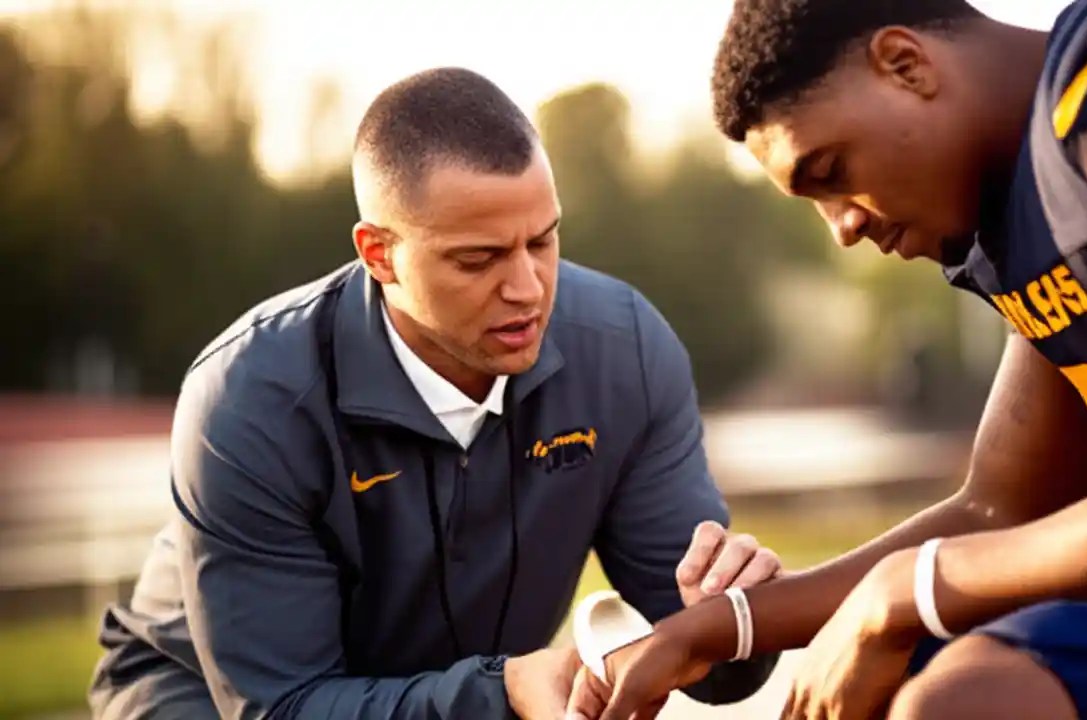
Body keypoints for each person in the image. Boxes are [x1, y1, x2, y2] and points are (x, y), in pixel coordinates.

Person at [566, 0, 1087, 718]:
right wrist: (723, 626)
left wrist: (909, 589)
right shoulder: (1022, 210)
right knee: (896, 665)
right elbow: (1000, 509)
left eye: (831, 170)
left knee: (970, 691)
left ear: (905, 65)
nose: (842, 227)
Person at [87, 67, 781, 720]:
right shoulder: (250, 397)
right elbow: (285, 705)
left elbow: (704, 655)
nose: (528, 289)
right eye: (478, 258)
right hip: (203, 699)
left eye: (543, 241)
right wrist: (500, 692)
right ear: (378, 254)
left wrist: (737, 617)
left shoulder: (625, 350)